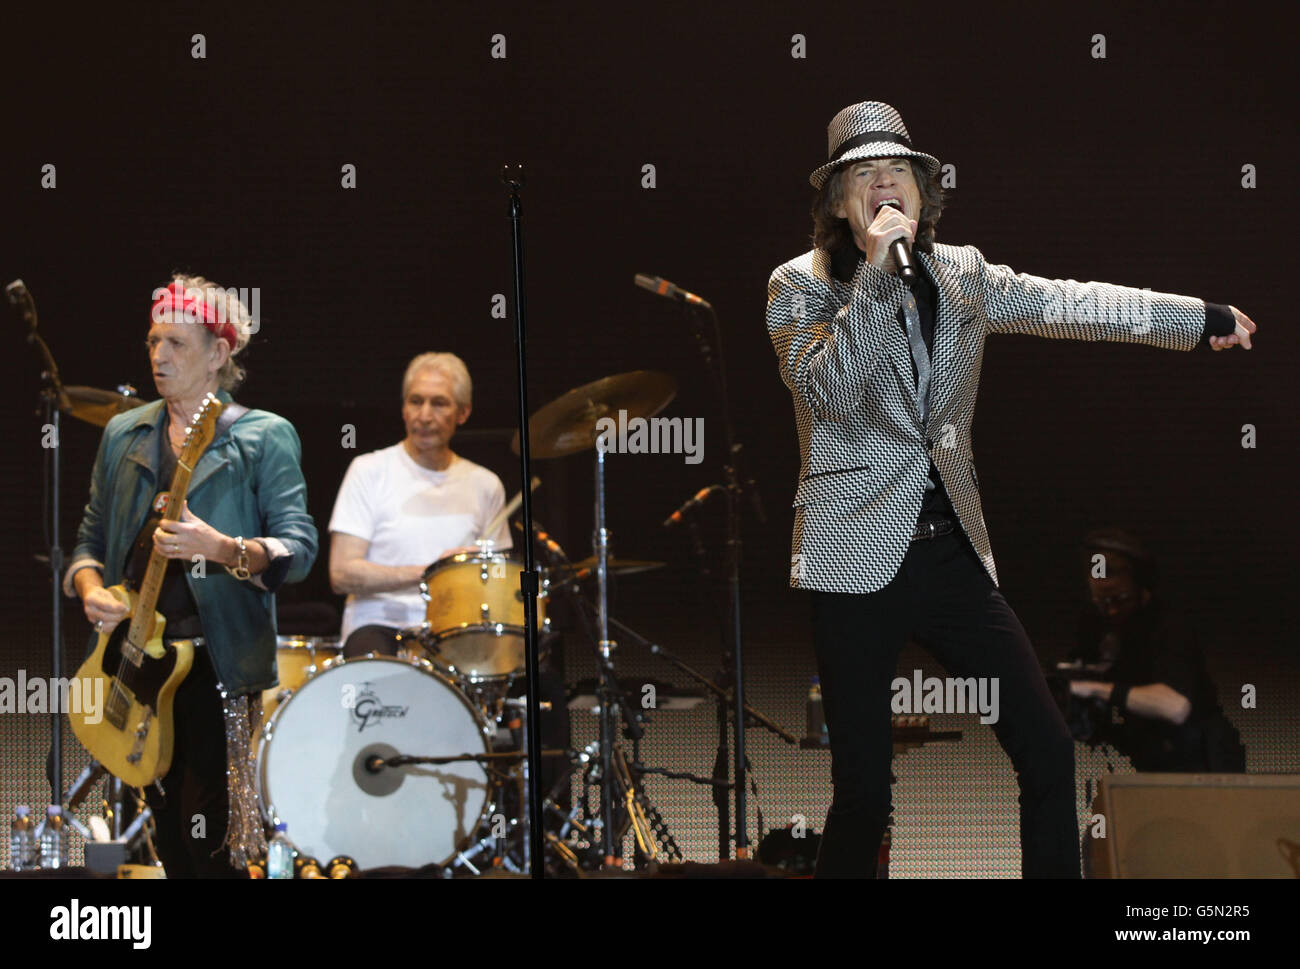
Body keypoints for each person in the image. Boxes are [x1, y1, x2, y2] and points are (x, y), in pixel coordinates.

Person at [766, 101, 1258, 878]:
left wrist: (1196, 318)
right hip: (852, 558)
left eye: (900, 171)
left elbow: (1075, 302)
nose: (886, 182)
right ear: (837, 202)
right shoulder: (800, 286)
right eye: (865, 174)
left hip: (950, 553)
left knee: (1047, 745)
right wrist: (873, 277)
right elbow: (830, 390)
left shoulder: (963, 274)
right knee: (863, 791)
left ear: (925, 194)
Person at [65, 275, 318, 876]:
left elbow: (299, 548)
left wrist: (224, 547)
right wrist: (91, 589)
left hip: (216, 663)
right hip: (134, 654)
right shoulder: (126, 432)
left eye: (177, 343)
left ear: (219, 354)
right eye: (154, 341)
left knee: (210, 840)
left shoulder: (262, 436)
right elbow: (89, 539)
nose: (159, 356)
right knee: (166, 841)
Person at [328, 352, 511, 657]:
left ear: (463, 413)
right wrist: (433, 572)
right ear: (403, 408)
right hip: (378, 624)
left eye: (439, 404)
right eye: (415, 401)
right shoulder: (368, 470)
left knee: (540, 681)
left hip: (456, 629)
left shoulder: (485, 483)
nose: (424, 415)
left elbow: (500, 578)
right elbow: (341, 575)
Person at [1067, 528, 1246, 773]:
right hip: (1152, 760)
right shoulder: (1099, 627)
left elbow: (1174, 706)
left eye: (1118, 599)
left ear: (1142, 588)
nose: (1110, 610)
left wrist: (1096, 689)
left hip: (1203, 764)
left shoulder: (1170, 627)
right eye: (1101, 601)